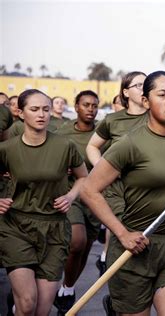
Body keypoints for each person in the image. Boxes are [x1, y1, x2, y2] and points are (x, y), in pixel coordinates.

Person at [80, 70, 165, 316]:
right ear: (147, 102)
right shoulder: (129, 143)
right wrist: (123, 233)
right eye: (162, 94)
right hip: (135, 248)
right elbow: (88, 190)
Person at [0, 89, 87, 316]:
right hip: (16, 227)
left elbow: (84, 177)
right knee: (27, 303)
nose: (42, 115)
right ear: (20, 113)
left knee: (41, 310)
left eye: (46, 109)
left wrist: (70, 196)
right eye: (35, 109)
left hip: (55, 229)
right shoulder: (7, 149)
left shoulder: (65, 146)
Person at [86, 71, 148, 276]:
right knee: (122, 236)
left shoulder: (156, 117)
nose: (143, 89)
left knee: (142, 243)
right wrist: (104, 170)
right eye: (138, 85)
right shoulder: (113, 120)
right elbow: (92, 147)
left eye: (146, 85)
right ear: (126, 92)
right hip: (117, 191)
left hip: (146, 190)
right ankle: (117, 295)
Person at [53, 90, 101, 314]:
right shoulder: (63, 132)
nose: (90, 109)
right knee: (77, 242)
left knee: (85, 248)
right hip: (70, 194)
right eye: (86, 105)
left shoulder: (102, 133)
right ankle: (62, 285)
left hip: (95, 198)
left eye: (94, 105)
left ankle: (68, 288)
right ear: (77, 106)